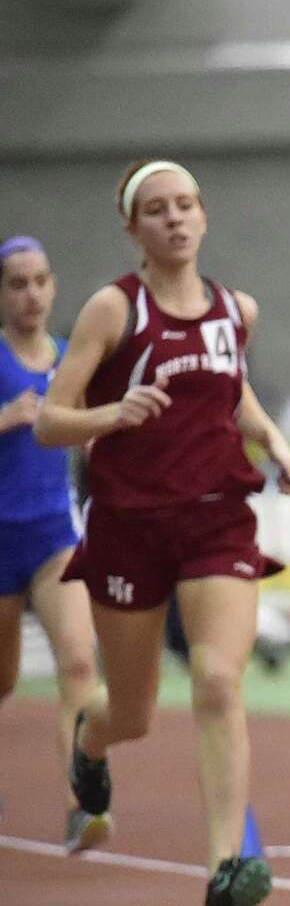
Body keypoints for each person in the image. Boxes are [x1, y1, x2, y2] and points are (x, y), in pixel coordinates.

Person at [34, 159, 290, 906]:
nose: (176, 219)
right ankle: (91, 739)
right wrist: (111, 415)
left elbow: (233, 389)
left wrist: (276, 442)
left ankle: (227, 864)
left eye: (187, 205)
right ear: (134, 229)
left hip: (219, 514)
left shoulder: (235, 310)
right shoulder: (111, 312)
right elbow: (54, 419)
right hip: (130, 525)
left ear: (204, 216)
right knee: (135, 711)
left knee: (220, 680)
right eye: (158, 210)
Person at [0, 235, 107, 852]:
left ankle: (80, 803)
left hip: (53, 536)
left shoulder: (70, 359)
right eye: (18, 283)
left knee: (78, 663)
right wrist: (7, 417)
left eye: (40, 280)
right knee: (4, 678)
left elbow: (91, 431)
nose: (32, 294)